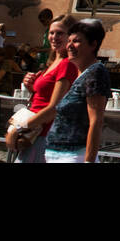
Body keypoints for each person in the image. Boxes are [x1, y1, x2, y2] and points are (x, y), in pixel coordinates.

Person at [44, 19, 111, 163]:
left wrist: (89, 161)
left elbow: (96, 121)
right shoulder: (82, 73)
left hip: (73, 156)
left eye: (77, 41)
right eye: (69, 41)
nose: (69, 45)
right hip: (59, 154)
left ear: (93, 45)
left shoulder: (95, 72)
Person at [16, 14, 78, 163]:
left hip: (46, 134)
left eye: (60, 33)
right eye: (51, 32)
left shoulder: (66, 64)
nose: (54, 37)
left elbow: (54, 108)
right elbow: (45, 97)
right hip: (36, 133)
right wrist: (32, 88)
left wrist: (19, 128)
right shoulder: (53, 62)